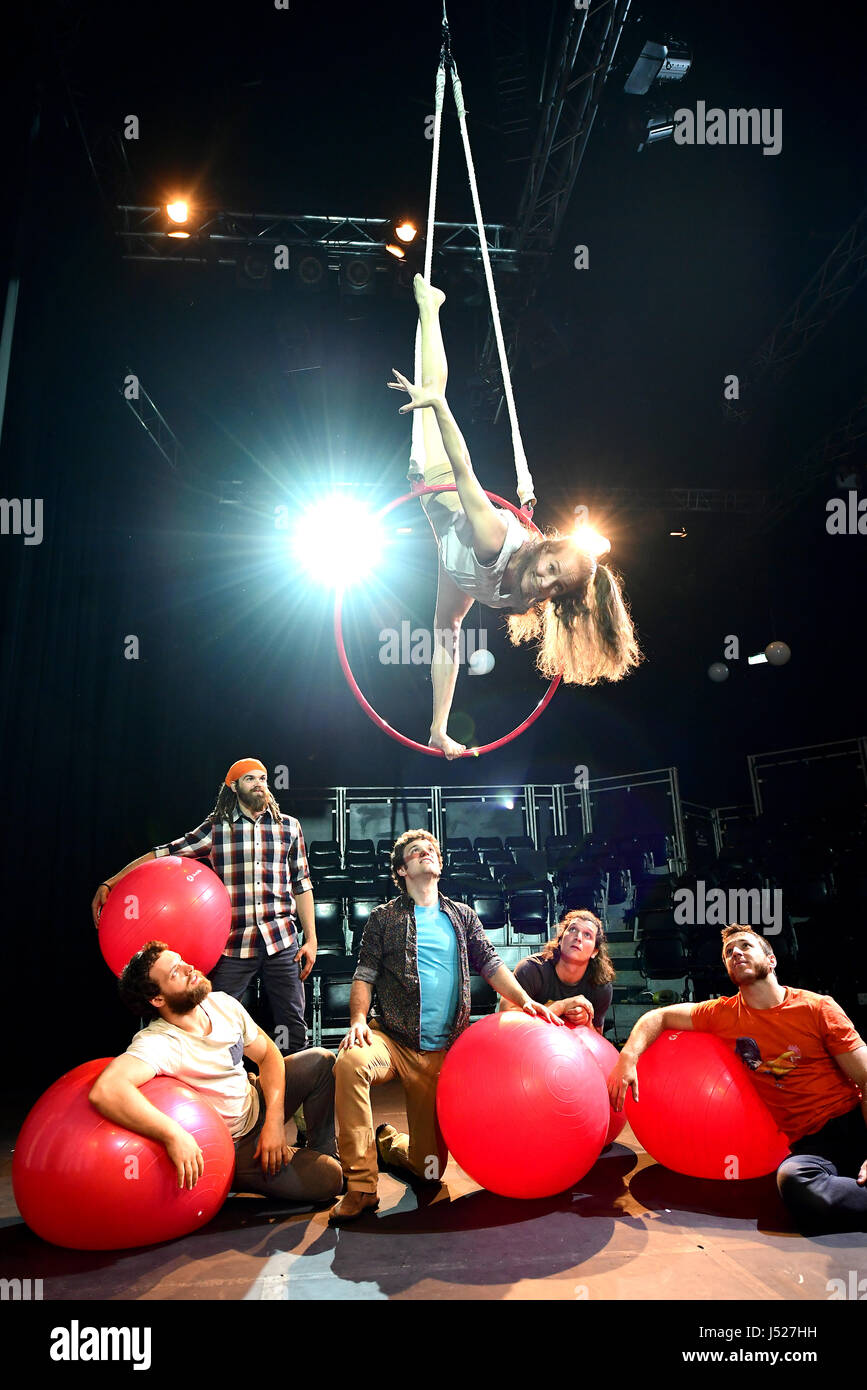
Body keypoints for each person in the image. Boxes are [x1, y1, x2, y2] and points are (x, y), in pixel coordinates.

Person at [388, 275, 640, 758]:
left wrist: (586, 563)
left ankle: (438, 727)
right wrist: (438, 408)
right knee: (431, 390)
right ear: (543, 548)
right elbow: (463, 471)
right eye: (550, 570)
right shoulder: (495, 536)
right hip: (442, 483)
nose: (545, 586)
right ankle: (431, 306)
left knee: (446, 633)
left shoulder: (537, 595)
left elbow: (578, 599)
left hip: (456, 560)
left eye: (555, 587)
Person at [328, 828, 563, 1224]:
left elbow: (490, 964)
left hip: (442, 1055)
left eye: (432, 850)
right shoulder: (384, 919)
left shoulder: (463, 916)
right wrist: (356, 1020)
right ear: (401, 871)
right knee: (349, 1063)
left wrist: (525, 1001)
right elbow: (364, 975)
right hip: (393, 1040)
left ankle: (388, 1143)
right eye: (417, 852)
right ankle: (361, 1186)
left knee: (429, 1171)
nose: (427, 854)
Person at [608, 924, 867, 1234]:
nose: (736, 953)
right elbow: (658, 1017)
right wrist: (628, 1057)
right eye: (728, 952)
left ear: (771, 960)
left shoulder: (817, 1008)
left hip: (855, 1124)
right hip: (810, 1145)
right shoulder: (723, 1014)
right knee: (793, 1182)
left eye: (745, 946)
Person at [92, 758, 316, 1057]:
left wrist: (311, 939)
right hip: (234, 945)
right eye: (250, 779)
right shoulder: (216, 829)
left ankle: (295, 1097)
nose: (259, 783)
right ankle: (229, 1083)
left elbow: (302, 884)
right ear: (234, 786)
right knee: (217, 1021)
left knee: (292, 1023)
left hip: (282, 941)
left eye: (262, 778)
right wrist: (112, 882)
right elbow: (164, 853)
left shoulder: (289, 827)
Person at [89, 941, 342, 1205]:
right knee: (330, 1178)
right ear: (157, 999)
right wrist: (173, 1135)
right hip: (232, 1145)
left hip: (255, 1102)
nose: (189, 968)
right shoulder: (159, 1041)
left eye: (182, 960)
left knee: (321, 1060)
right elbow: (107, 1089)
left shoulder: (222, 1004)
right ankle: (242, 1173)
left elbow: (268, 1056)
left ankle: (322, 1152)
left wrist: (274, 1123)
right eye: (175, 972)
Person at [499, 908, 615, 1031]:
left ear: (595, 952)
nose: (578, 937)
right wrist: (561, 1006)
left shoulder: (601, 986)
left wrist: (586, 1022)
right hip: (530, 1045)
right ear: (560, 940)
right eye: (572, 929)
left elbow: (598, 1040)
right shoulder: (531, 969)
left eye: (587, 935)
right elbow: (505, 1020)